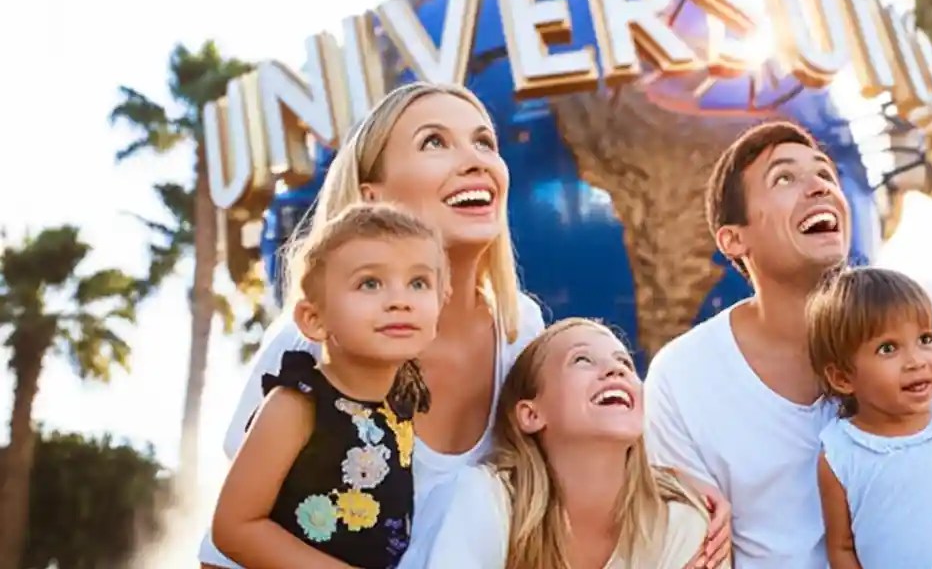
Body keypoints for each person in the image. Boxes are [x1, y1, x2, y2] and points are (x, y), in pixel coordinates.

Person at [199, 81, 729, 568]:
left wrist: (667, 483)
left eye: (484, 143)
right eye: (435, 142)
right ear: (372, 198)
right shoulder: (318, 341)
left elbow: (561, 471)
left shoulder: (521, 329)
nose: (475, 161)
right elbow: (224, 548)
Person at [645, 120, 932, 568]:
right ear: (734, 239)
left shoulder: (926, 316)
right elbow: (690, 551)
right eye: (784, 178)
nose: (819, 187)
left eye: (825, 174)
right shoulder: (681, 377)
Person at [212, 204, 444, 569]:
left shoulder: (401, 406)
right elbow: (233, 527)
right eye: (370, 283)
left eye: (418, 283)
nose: (400, 300)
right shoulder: (297, 405)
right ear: (314, 319)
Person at [427, 318, 729, 569]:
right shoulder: (487, 499)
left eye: (625, 361)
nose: (616, 370)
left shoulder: (681, 521)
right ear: (531, 414)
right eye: (582, 360)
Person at [807, 265, 932, 569]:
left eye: (925, 339)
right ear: (842, 378)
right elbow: (841, 547)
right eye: (888, 348)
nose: (916, 361)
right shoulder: (840, 454)